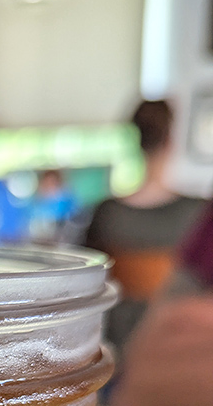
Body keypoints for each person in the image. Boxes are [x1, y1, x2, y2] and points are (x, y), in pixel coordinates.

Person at [83, 99, 206, 355]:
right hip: (177, 349)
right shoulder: (199, 213)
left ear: (136, 141)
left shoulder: (107, 213)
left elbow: (84, 286)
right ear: (171, 142)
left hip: (114, 349)